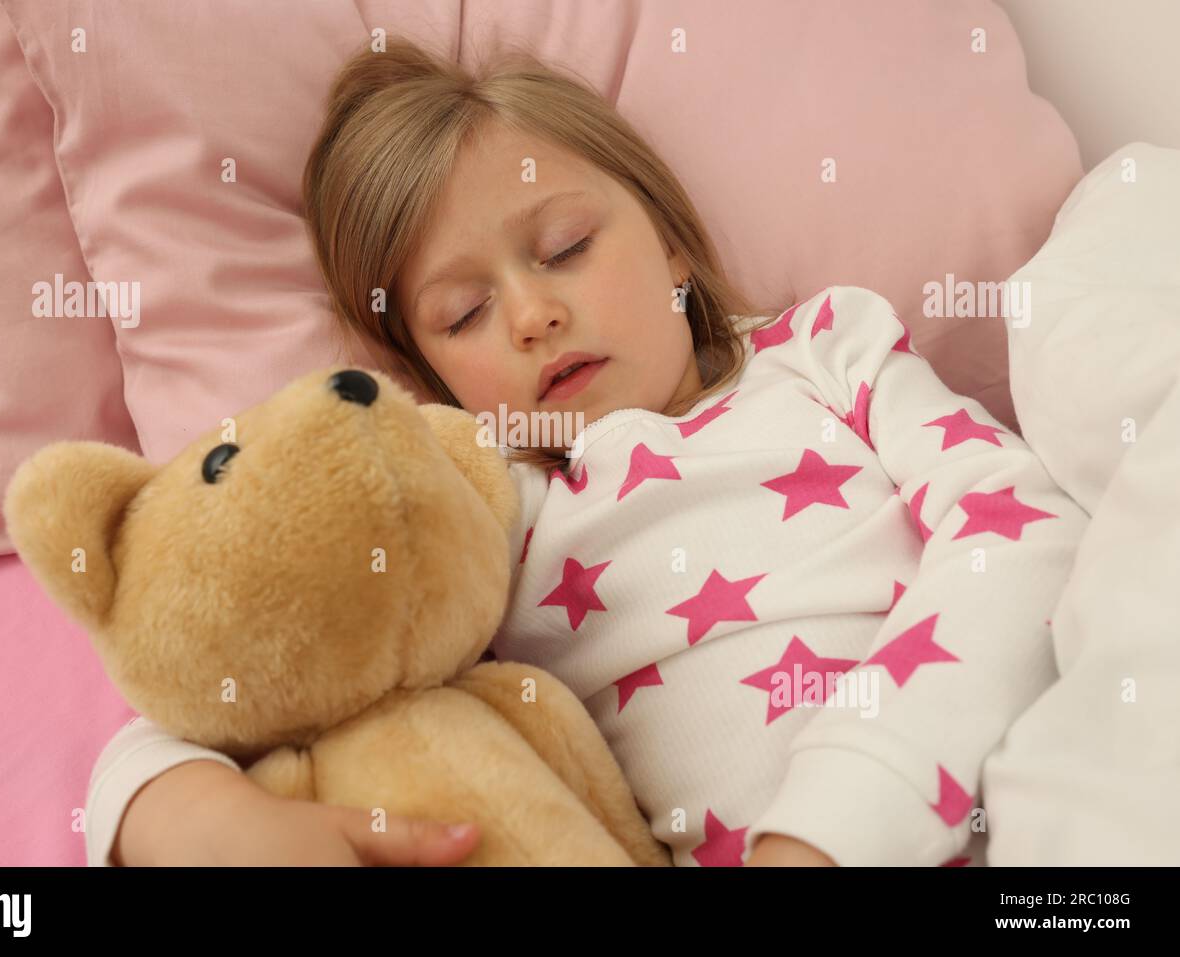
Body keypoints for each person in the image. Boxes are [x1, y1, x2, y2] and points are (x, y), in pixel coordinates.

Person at [87, 37, 1087, 867]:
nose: (532, 313)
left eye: (564, 247)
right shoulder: (483, 512)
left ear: (670, 244)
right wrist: (181, 814)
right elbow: (231, 662)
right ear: (430, 376)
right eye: (464, 312)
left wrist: (829, 828)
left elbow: (1025, 529)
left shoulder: (825, 350)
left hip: (1034, 813)